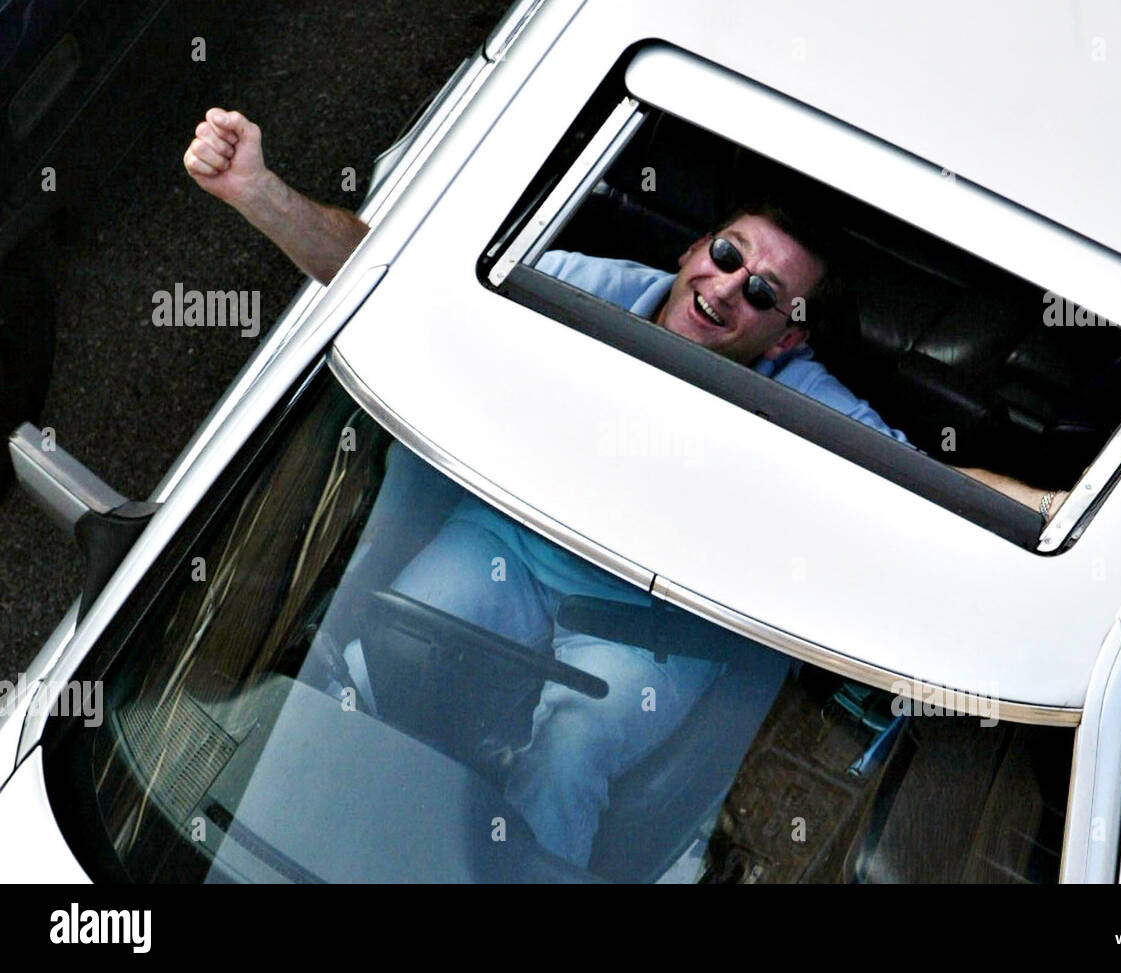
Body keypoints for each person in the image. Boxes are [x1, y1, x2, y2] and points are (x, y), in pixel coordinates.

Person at [184, 108, 1067, 868]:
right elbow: (390, 278)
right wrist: (258, 189)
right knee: (386, 650)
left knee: (570, 754)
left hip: (654, 627)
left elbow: (931, 481)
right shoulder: (578, 285)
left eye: (763, 292)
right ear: (692, 247)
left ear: (787, 339)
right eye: (726, 255)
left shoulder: (807, 398)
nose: (727, 287)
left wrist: (1069, 512)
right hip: (510, 551)